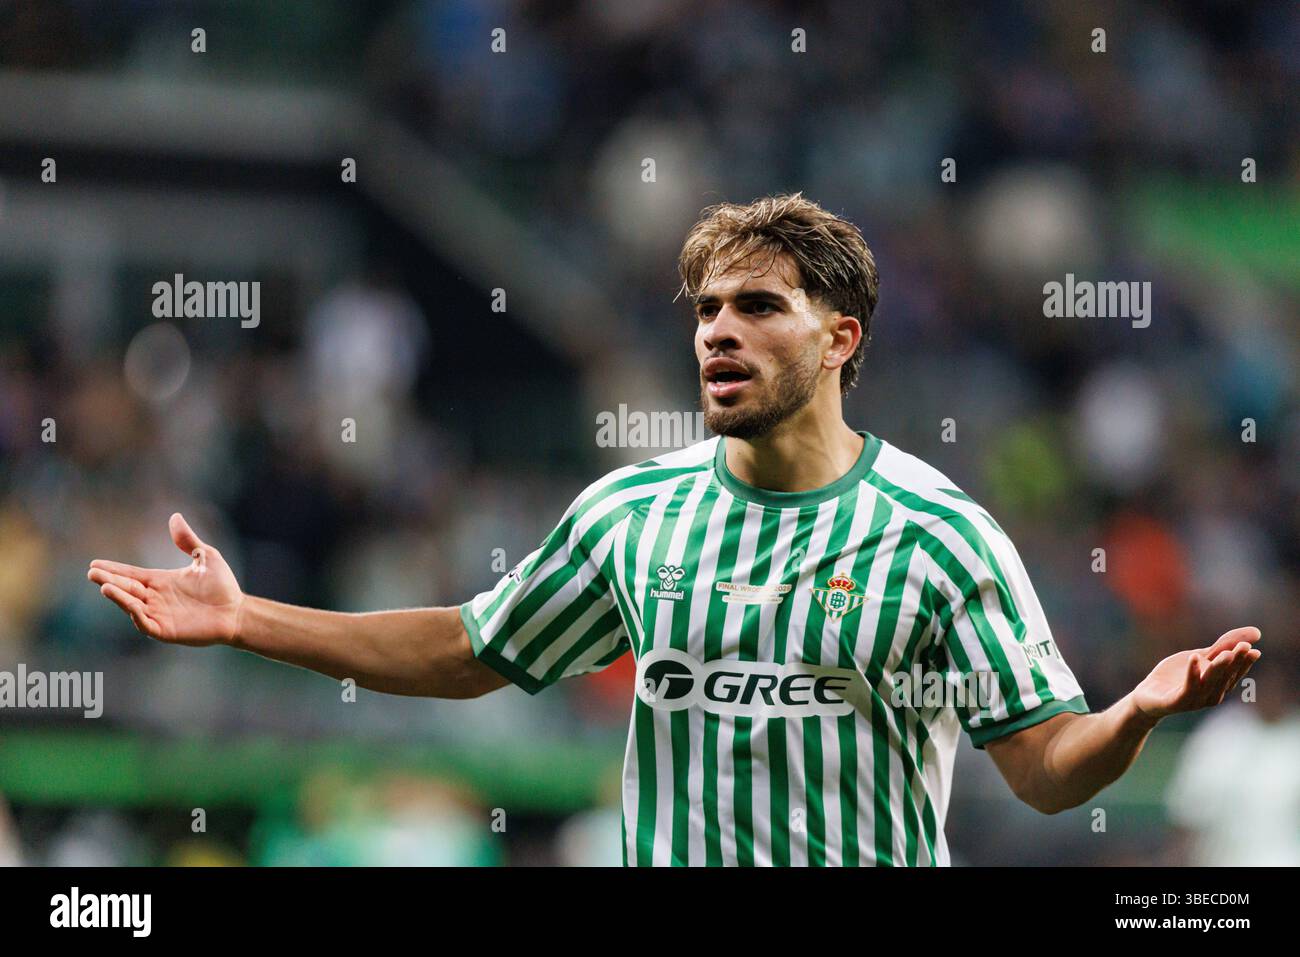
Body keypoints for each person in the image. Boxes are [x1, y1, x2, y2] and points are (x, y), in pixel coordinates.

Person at [88, 193, 1261, 866]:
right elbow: (467, 649)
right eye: (706, 310)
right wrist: (250, 622)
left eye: (758, 307)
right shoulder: (631, 515)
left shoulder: (939, 537)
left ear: (840, 339)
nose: (718, 333)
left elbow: (1047, 773)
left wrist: (1131, 719)